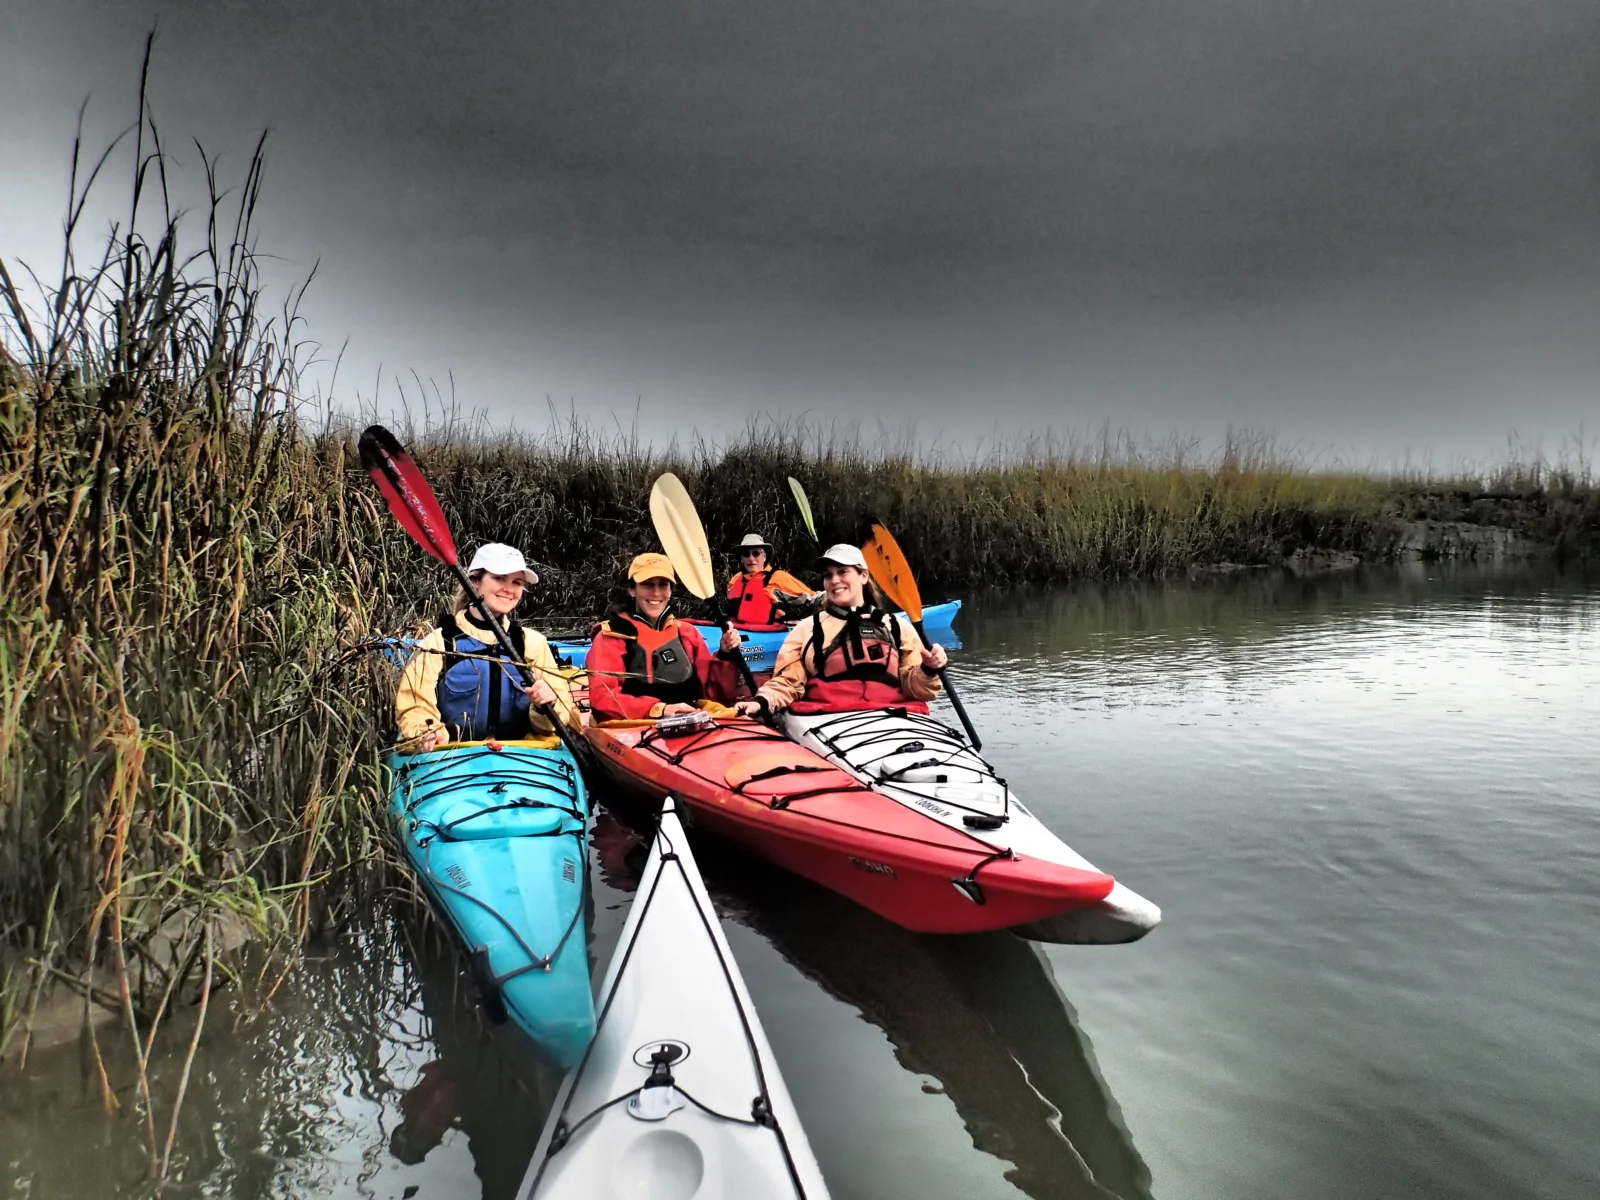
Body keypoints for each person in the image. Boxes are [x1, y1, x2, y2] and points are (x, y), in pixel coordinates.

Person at [396, 543, 580, 750]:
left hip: (521, 753)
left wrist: (544, 706)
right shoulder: (440, 642)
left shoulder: (532, 643)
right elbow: (414, 706)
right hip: (454, 755)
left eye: (517, 582)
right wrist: (426, 729)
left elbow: (557, 720)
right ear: (474, 581)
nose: (509, 589)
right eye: (499, 578)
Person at [735, 544, 948, 717]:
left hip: (892, 717)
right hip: (830, 720)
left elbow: (919, 690)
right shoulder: (806, 629)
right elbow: (788, 684)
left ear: (863, 576)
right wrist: (760, 702)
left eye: (843, 571)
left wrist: (929, 669)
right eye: (828, 575)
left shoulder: (898, 627)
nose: (834, 580)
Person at [587, 552, 745, 723]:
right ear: (632, 590)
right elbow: (603, 699)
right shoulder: (612, 637)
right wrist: (659, 709)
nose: (656, 593)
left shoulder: (687, 634)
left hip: (690, 724)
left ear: (670, 591)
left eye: (663, 585)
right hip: (637, 728)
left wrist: (726, 655)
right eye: (647, 584)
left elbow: (714, 695)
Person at [725, 533, 814, 625]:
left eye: (756, 553)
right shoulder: (735, 580)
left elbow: (813, 598)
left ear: (764, 557)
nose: (751, 559)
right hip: (739, 633)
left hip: (769, 634)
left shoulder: (777, 578)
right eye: (746, 554)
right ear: (741, 559)